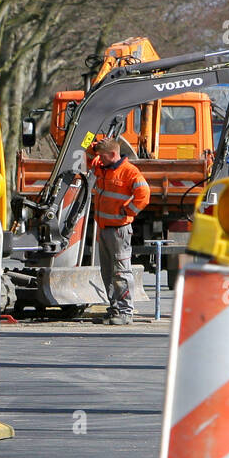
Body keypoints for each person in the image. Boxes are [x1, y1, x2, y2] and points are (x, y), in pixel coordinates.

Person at [90, 138, 150, 325]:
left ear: (113, 154)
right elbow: (89, 161)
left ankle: (125, 312)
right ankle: (114, 308)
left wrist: (128, 211)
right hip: (104, 228)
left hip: (119, 230)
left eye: (102, 156)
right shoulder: (104, 168)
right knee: (108, 272)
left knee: (121, 272)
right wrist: (93, 148)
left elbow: (144, 194)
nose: (99, 159)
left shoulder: (130, 172)